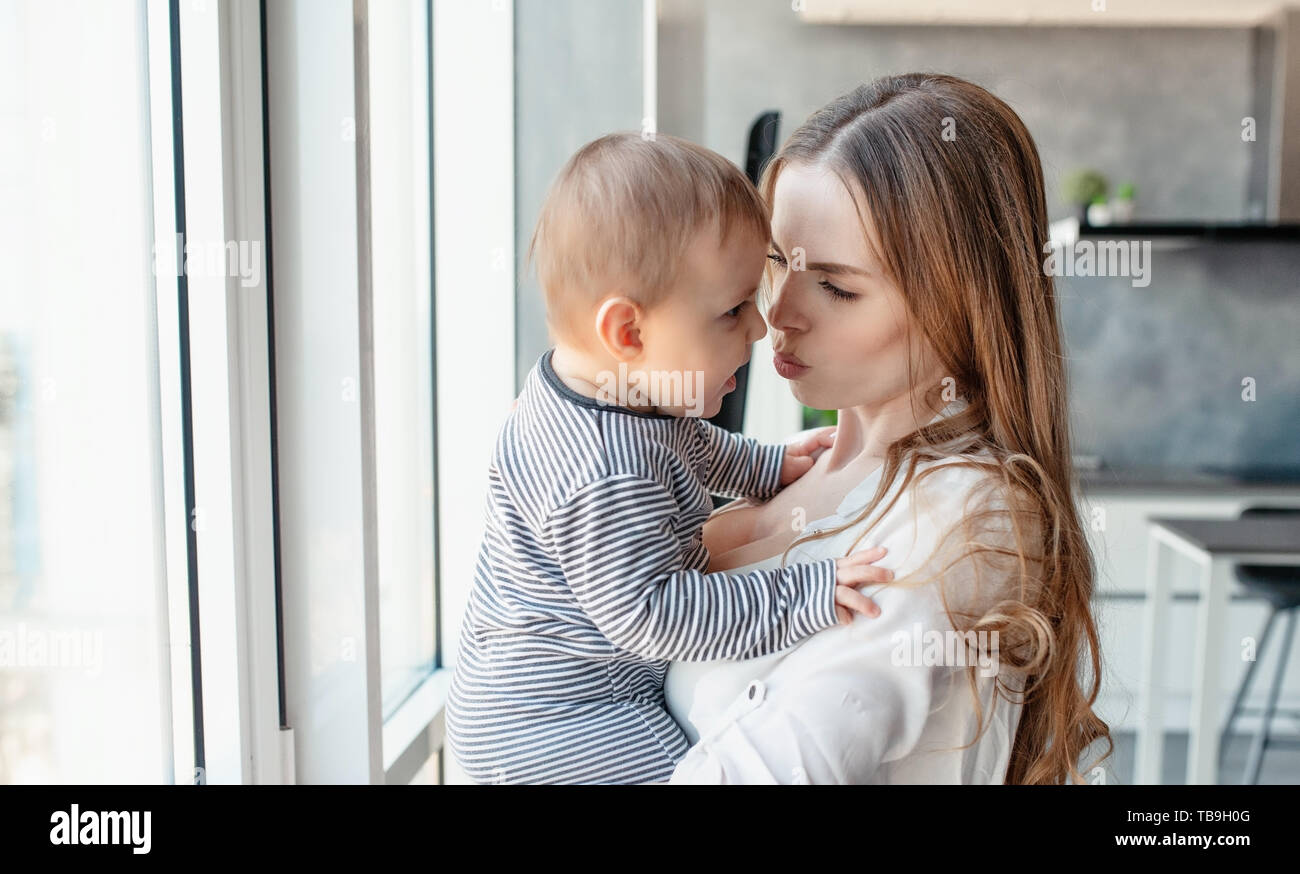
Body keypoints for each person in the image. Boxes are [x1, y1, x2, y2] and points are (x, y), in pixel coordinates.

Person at [664, 73, 1114, 785]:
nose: (779, 314)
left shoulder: (971, 514)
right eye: (779, 262)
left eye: (838, 288)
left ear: (961, 303)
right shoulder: (793, 473)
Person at [444, 132, 893, 785]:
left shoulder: (605, 391)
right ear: (628, 332)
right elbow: (656, 615)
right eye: (734, 309)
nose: (761, 327)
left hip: (529, 701)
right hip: (554, 724)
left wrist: (764, 468)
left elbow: (685, 446)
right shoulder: (603, 470)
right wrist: (806, 593)